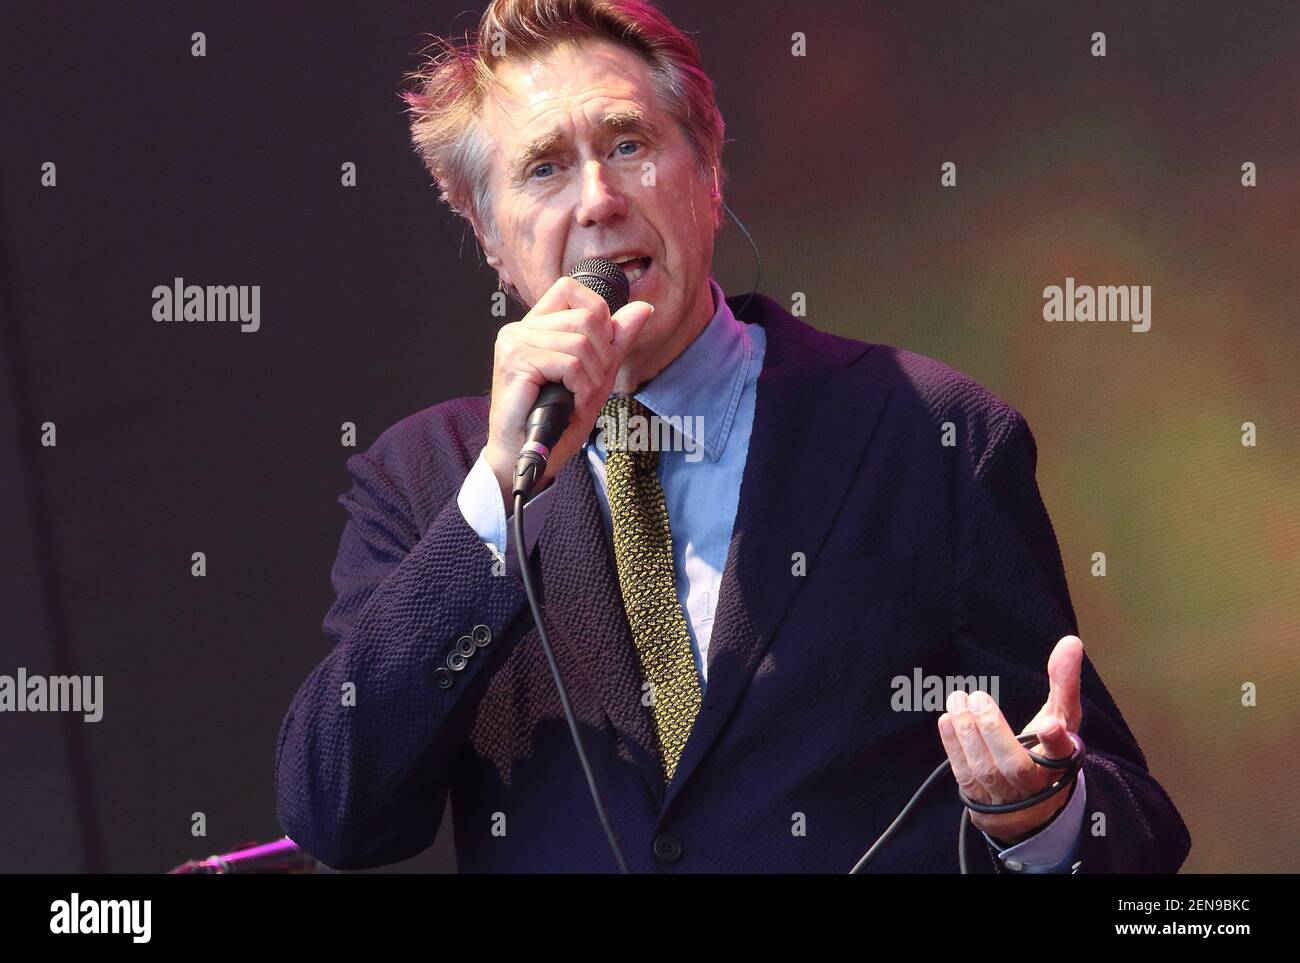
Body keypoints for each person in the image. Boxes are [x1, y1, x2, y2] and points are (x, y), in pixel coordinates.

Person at [274, 0, 1191, 873]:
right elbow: (336, 811)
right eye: (545, 167)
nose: (598, 198)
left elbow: (1131, 826)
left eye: (629, 145)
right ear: (487, 232)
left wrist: (1038, 814)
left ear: (709, 171)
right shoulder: (423, 479)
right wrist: (493, 505)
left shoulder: (929, 431)